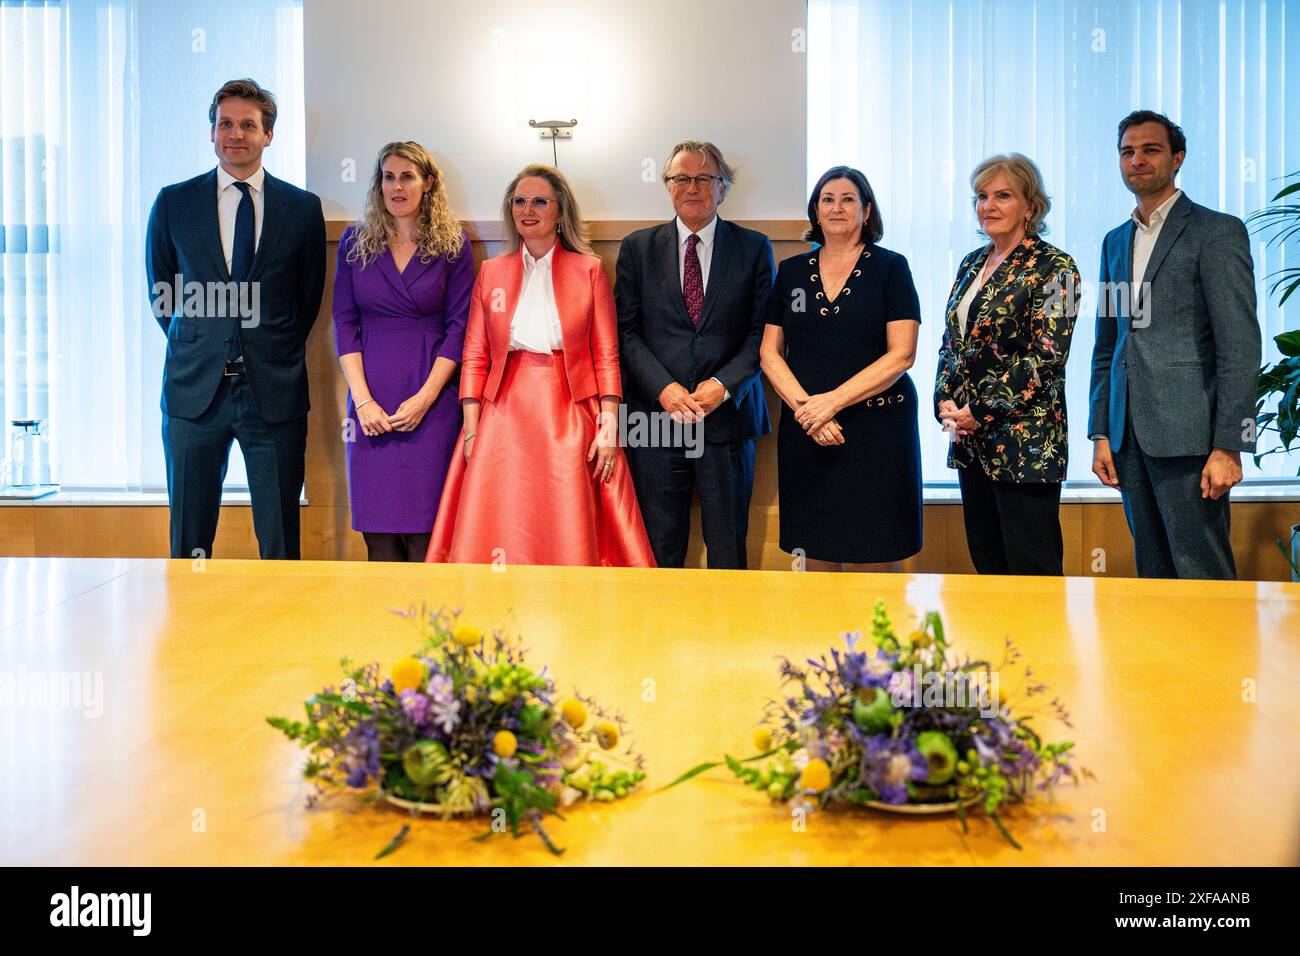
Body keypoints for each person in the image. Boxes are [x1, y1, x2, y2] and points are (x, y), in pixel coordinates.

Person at [425, 164, 654, 567]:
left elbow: (606, 354)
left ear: (560, 211)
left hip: (569, 410)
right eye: (519, 201)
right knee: (500, 515)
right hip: (501, 412)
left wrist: (608, 424)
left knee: (565, 514)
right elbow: (475, 353)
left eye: (539, 201)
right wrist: (472, 428)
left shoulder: (590, 270)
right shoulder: (491, 272)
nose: (527, 210)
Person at [146, 78, 325, 560]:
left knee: (281, 540)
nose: (235, 134)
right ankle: (189, 633)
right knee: (189, 540)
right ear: (211, 133)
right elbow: (164, 295)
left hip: (274, 391)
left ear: (269, 135)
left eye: (248, 125)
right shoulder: (173, 203)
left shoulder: (303, 210)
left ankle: (282, 633)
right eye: (225, 124)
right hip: (194, 392)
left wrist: (267, 344)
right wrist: (207, 340)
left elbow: (305, 301)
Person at [1088, 110, 1261, 579]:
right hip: (1127, 440)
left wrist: (1232, 445)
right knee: (1154, 576)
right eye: (1128, 151)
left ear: (1177, 158)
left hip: (1191, 438)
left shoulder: (1217, 231)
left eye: (1151, 150)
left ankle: (1221, 656)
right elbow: (1108, 346)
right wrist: (1101, 432)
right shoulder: (1114, 241)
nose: (1137, 160)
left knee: (1202, 572)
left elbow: (1241, 347)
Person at [615, 140, 774, 569]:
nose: (692, 187)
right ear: (667, 186)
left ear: (723, 188)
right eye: (681, 178)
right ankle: (662, 634)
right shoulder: (637, 248)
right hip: (655, 417)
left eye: (704, 178)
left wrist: (722, 386)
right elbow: (626, 333)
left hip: (725, 416)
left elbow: (763, 334)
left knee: (727, 548)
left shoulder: (754, 248)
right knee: (660, 546)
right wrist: (663, 388)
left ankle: (728, 634)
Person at [760, 166, 922, 570]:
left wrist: (829, 404)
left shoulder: (891, 268)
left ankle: (878, 636)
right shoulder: (792, 272)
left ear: (867, 211)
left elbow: (901, 354)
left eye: (848, 199)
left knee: (876, 553)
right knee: (814, 549)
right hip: (808, 431)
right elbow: (769, 352)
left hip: (878, 429)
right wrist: (808, 412)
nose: (837, 208)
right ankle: (825, 636)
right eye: (827, 200)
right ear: (815, 211)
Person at [935, 153, 1079, 575]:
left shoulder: (1058, 267)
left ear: (1030, 206)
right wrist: (944, 399)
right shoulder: (971, 263)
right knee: (988, 565)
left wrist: (981, 410)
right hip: (970, 440)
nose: (988, 206)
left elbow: (1048, 356)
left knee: (1032, 569)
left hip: (1025, 443)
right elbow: (952, 343)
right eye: (981, 196)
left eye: (1003, 195)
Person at [333, 142, 473, 562]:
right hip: (368, 400)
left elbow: (460, 327)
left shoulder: (453, 243)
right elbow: (344, 322)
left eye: (407, 176)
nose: (396, 186)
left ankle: (428, 628)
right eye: (388, 177)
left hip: (432, 402)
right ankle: (383, 628)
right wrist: (362, 402)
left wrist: (424, 400)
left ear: (427, 183)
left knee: (425, 538)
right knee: (378, 539)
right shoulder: (354, 241)